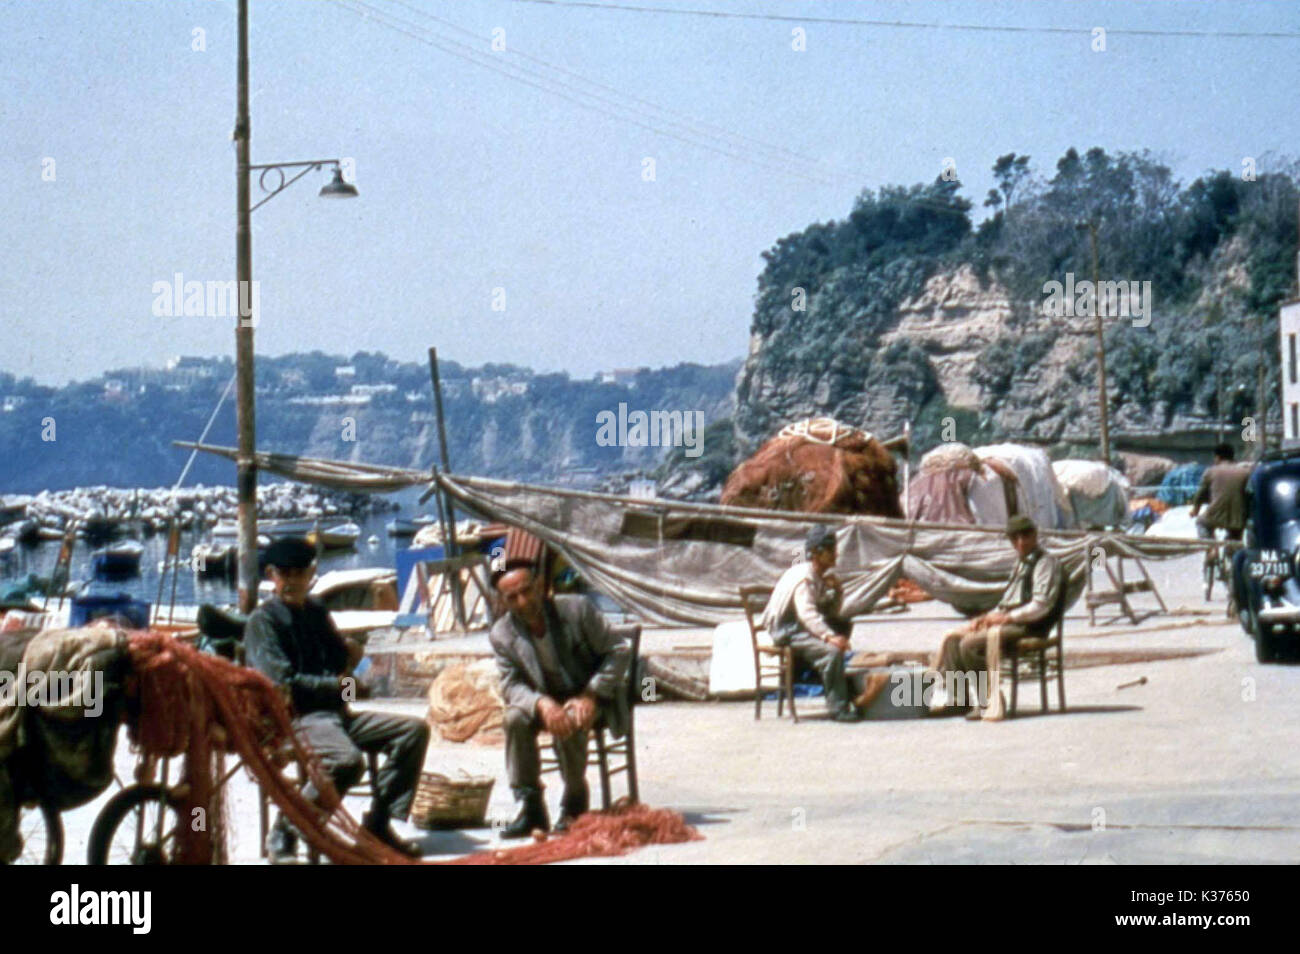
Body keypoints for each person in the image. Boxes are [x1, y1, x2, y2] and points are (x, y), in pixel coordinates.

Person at [244, 536, 429, 862]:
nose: (293, 582)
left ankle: (378, 824)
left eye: (299, 574)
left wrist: (358, 666)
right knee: (347, 762)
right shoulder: (264, 621)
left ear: (310, 574)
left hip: (337, 714)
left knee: (413, 732)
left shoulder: (315, 610)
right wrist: (341, 685)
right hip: (298, 718)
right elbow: (282, 682)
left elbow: (342, 657)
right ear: (272, 575)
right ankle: (285, 831)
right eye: (285, 574)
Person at [490, 561, 631, 839]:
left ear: (541, 586)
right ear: (503, 601)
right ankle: (531, 807)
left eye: (527, 591)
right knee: (514, 718)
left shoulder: (577, 609)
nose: (523, 601)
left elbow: (618, 651)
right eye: (512, 597)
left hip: (593, 694)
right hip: (547, 699)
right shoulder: (502, 634)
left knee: (571, 716)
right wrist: (541, 703)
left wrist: (591, 694)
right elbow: (510, 685)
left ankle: (575, 797)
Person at [928, 515, 1064, 722]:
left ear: (1035, 535)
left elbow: (1041, 605)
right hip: (1011, 620)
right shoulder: (1020, 564)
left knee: (970, 645)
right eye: (1015, 538)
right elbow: (1007, 600)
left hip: (1030, 625)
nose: (1021, 542)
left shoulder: (1045, 563)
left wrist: (1007, 618)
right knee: (953, 640)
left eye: (1026, 536)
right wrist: (986, 618)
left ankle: (989, 700)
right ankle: (959, 699)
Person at [761, 524, 866, 723]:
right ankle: (838, 708)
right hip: (787, 631)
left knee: (843, 624)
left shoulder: (817, 576)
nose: (835, 555)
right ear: (817, 553)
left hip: (799, 627)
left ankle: (838, 685)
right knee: (832, 652)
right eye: (830, 551)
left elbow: (829, 612)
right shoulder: (804, 578)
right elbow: (807, 614)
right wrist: (829, 637)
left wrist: (837, 592)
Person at [1191, 443, 1250, 542]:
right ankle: (1231, 551)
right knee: (1235, 536)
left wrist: (1195, 509)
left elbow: (1201, 494)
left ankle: (1211, 549)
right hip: (1238, 518)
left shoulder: (1211, 471)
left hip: (1214, 514)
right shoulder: (1245, 472)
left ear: (1218, 457)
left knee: (1201, 523)